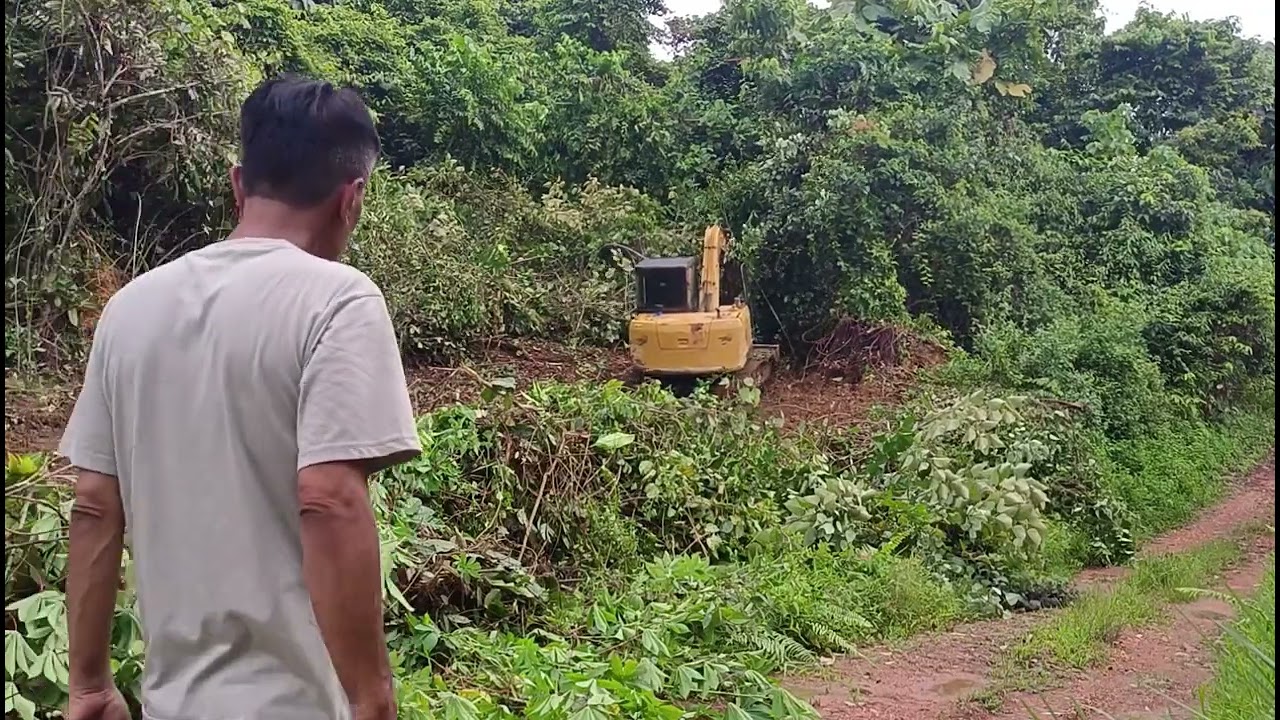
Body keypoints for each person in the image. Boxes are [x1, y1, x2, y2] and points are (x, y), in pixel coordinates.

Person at [58, 75, 420, 720]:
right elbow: (329, 498)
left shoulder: (130, 309)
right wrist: (372, 698)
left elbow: (93, 505)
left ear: (237, 183)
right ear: (351, 198)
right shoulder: (338, 300)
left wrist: (88, 684)